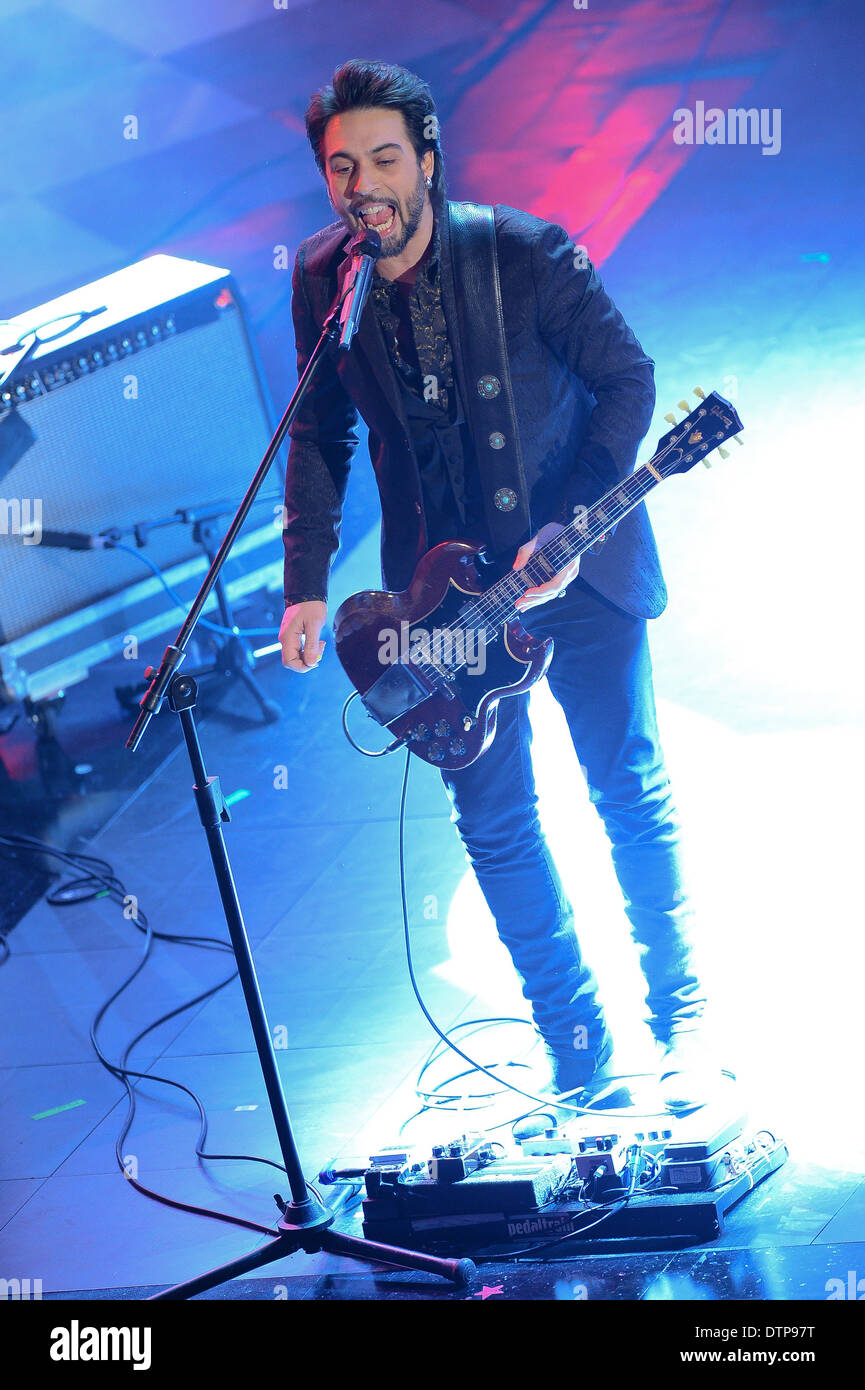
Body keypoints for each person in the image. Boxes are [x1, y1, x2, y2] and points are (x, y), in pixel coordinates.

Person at [278, 59, 718, 1125]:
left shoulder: (523, 253)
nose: (363, 184)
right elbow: (319, 430)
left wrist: (569, 521)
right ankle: (577, 1047)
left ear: (427, 160)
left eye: (384, 158)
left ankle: (685, 1024)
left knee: (627, 790)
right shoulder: (322, 279)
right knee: (494, 820)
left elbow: (628, 379)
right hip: (437, 605)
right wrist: (303, 583)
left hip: (575, 568)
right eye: (343, 167)